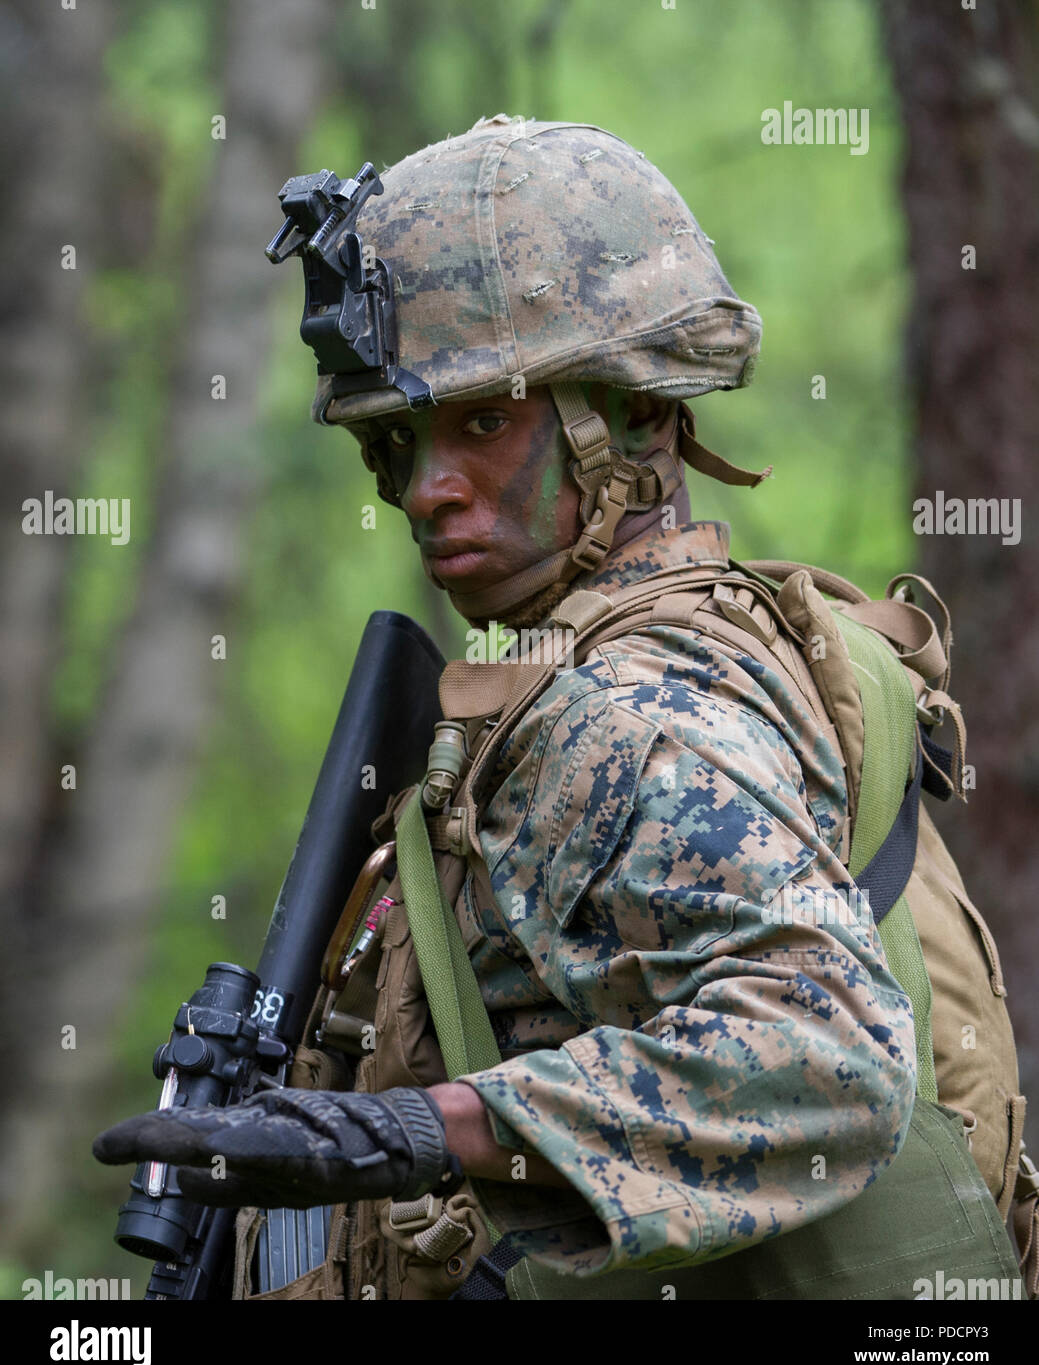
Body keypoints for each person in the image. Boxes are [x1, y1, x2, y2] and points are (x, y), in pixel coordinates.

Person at [93, 115, 932, 1300]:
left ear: (633, 416)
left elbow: (835, 1058)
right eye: (394, 440)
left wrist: (413, 1132)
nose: (426, 490)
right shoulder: (746, 632)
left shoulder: (621, 711)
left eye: (484, 421)